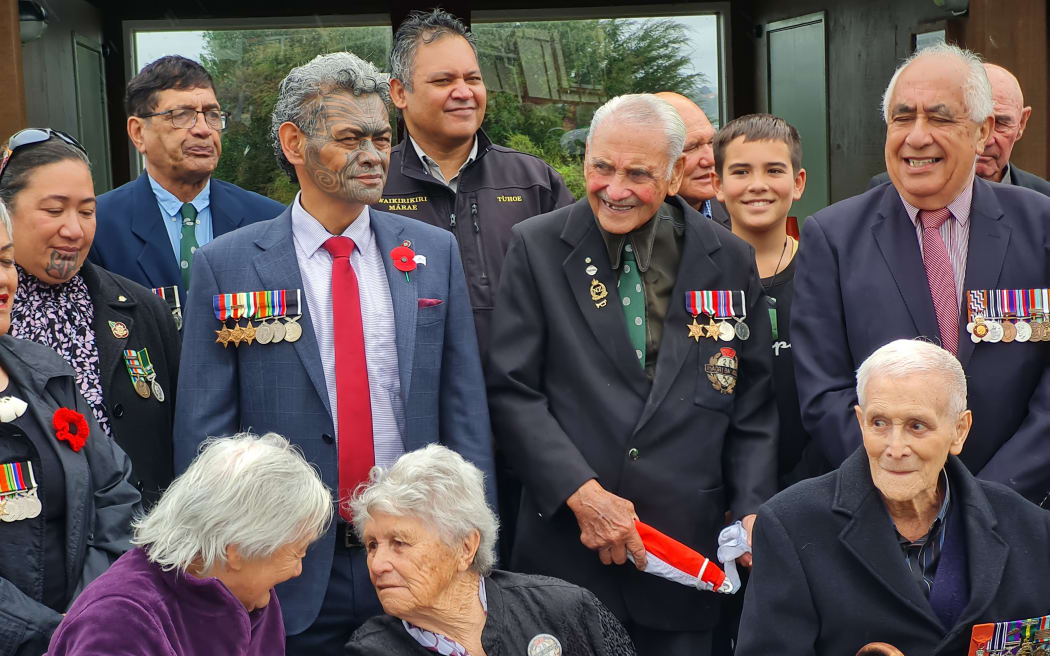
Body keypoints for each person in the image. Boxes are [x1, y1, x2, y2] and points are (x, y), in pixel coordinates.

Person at [173, 52, 495, 655]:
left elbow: (465, 411)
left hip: (417, 559)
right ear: (295, 143)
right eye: (350, 138)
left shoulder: (432, 252)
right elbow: (205, 430)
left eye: (380, 136)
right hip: (283, 568)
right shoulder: (230, 264)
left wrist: (477, 544)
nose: (374, 155)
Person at [486, 93, 777, 656]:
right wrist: (583, 494)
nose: (614, 189)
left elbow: (753, 402)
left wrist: (752, 506)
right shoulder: (537, 246)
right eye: (601, 167)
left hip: (682, 552)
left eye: (637, 174)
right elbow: (512, 391)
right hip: (567, 549)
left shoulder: (728, 257)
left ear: (673, 176)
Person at [793, 43, 1050, 505]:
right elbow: (823, 393)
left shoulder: (1041, 226)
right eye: (902, 117)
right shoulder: (833, 237)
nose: (916, 136)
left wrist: (991, 498)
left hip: (1022, 511)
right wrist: (909, 488)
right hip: (883, 513)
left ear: (982, 131)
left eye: (940, 117)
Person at [737, 339, 1050, 656]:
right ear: (860, 422)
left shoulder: (1033, 530)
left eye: (917, 426)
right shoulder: (791, 526)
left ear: (959, 431)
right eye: (879, 423)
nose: (895, 448)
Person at [376, 8, 575, 357]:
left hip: (522, 396)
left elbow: (579, 292)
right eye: (443, 81)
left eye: (473, 79)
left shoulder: (535, 182)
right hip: (412, 396)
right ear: (399, 93)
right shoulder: (371, 186)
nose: (464, 92)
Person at [0, 129, 180, 507]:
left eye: (87, 211)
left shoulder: (140, 309)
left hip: (134, 546)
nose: (74, 230)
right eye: (53, 210)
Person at [46, 432, 329, 656]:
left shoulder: (251, 593)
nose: (297, 571)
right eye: (296, 553)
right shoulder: (120, 619)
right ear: (237, 550)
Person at [0, 199, 139, 654]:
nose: (4, 279)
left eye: (4, 259)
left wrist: (87, 612)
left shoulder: (44, 372)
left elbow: (114, 492)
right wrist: (48, 632)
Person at [346, 444, 637, 656]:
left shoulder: (564, 610)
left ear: (465, 547)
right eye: (372, 545)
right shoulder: (371, 650)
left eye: (399, 543)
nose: (377, 564)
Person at [90, 55, 285, 312]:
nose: (203, 129)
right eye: (182, 115)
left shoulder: (268, 221)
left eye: (212, 115)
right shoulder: (98, 226)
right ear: (138, 133)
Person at [712, 113, 826, 489]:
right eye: (741, 172)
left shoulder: (826, 275)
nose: (757, 185)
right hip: (718, 493)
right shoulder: (694, 277)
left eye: (774, 171)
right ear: (717, 183)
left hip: (814, 483)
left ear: (798, 183)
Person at [868, 62, 1050, 197]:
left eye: (1001, 123)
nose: (986, 138)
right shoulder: (886, 191)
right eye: (974, 122)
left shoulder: (1043, 200)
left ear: (1022, 123)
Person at [656, 92, 731, 228]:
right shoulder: (624, 224)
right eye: (691, 148)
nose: (710, 160)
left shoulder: (740, 215)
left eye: (712, 142)